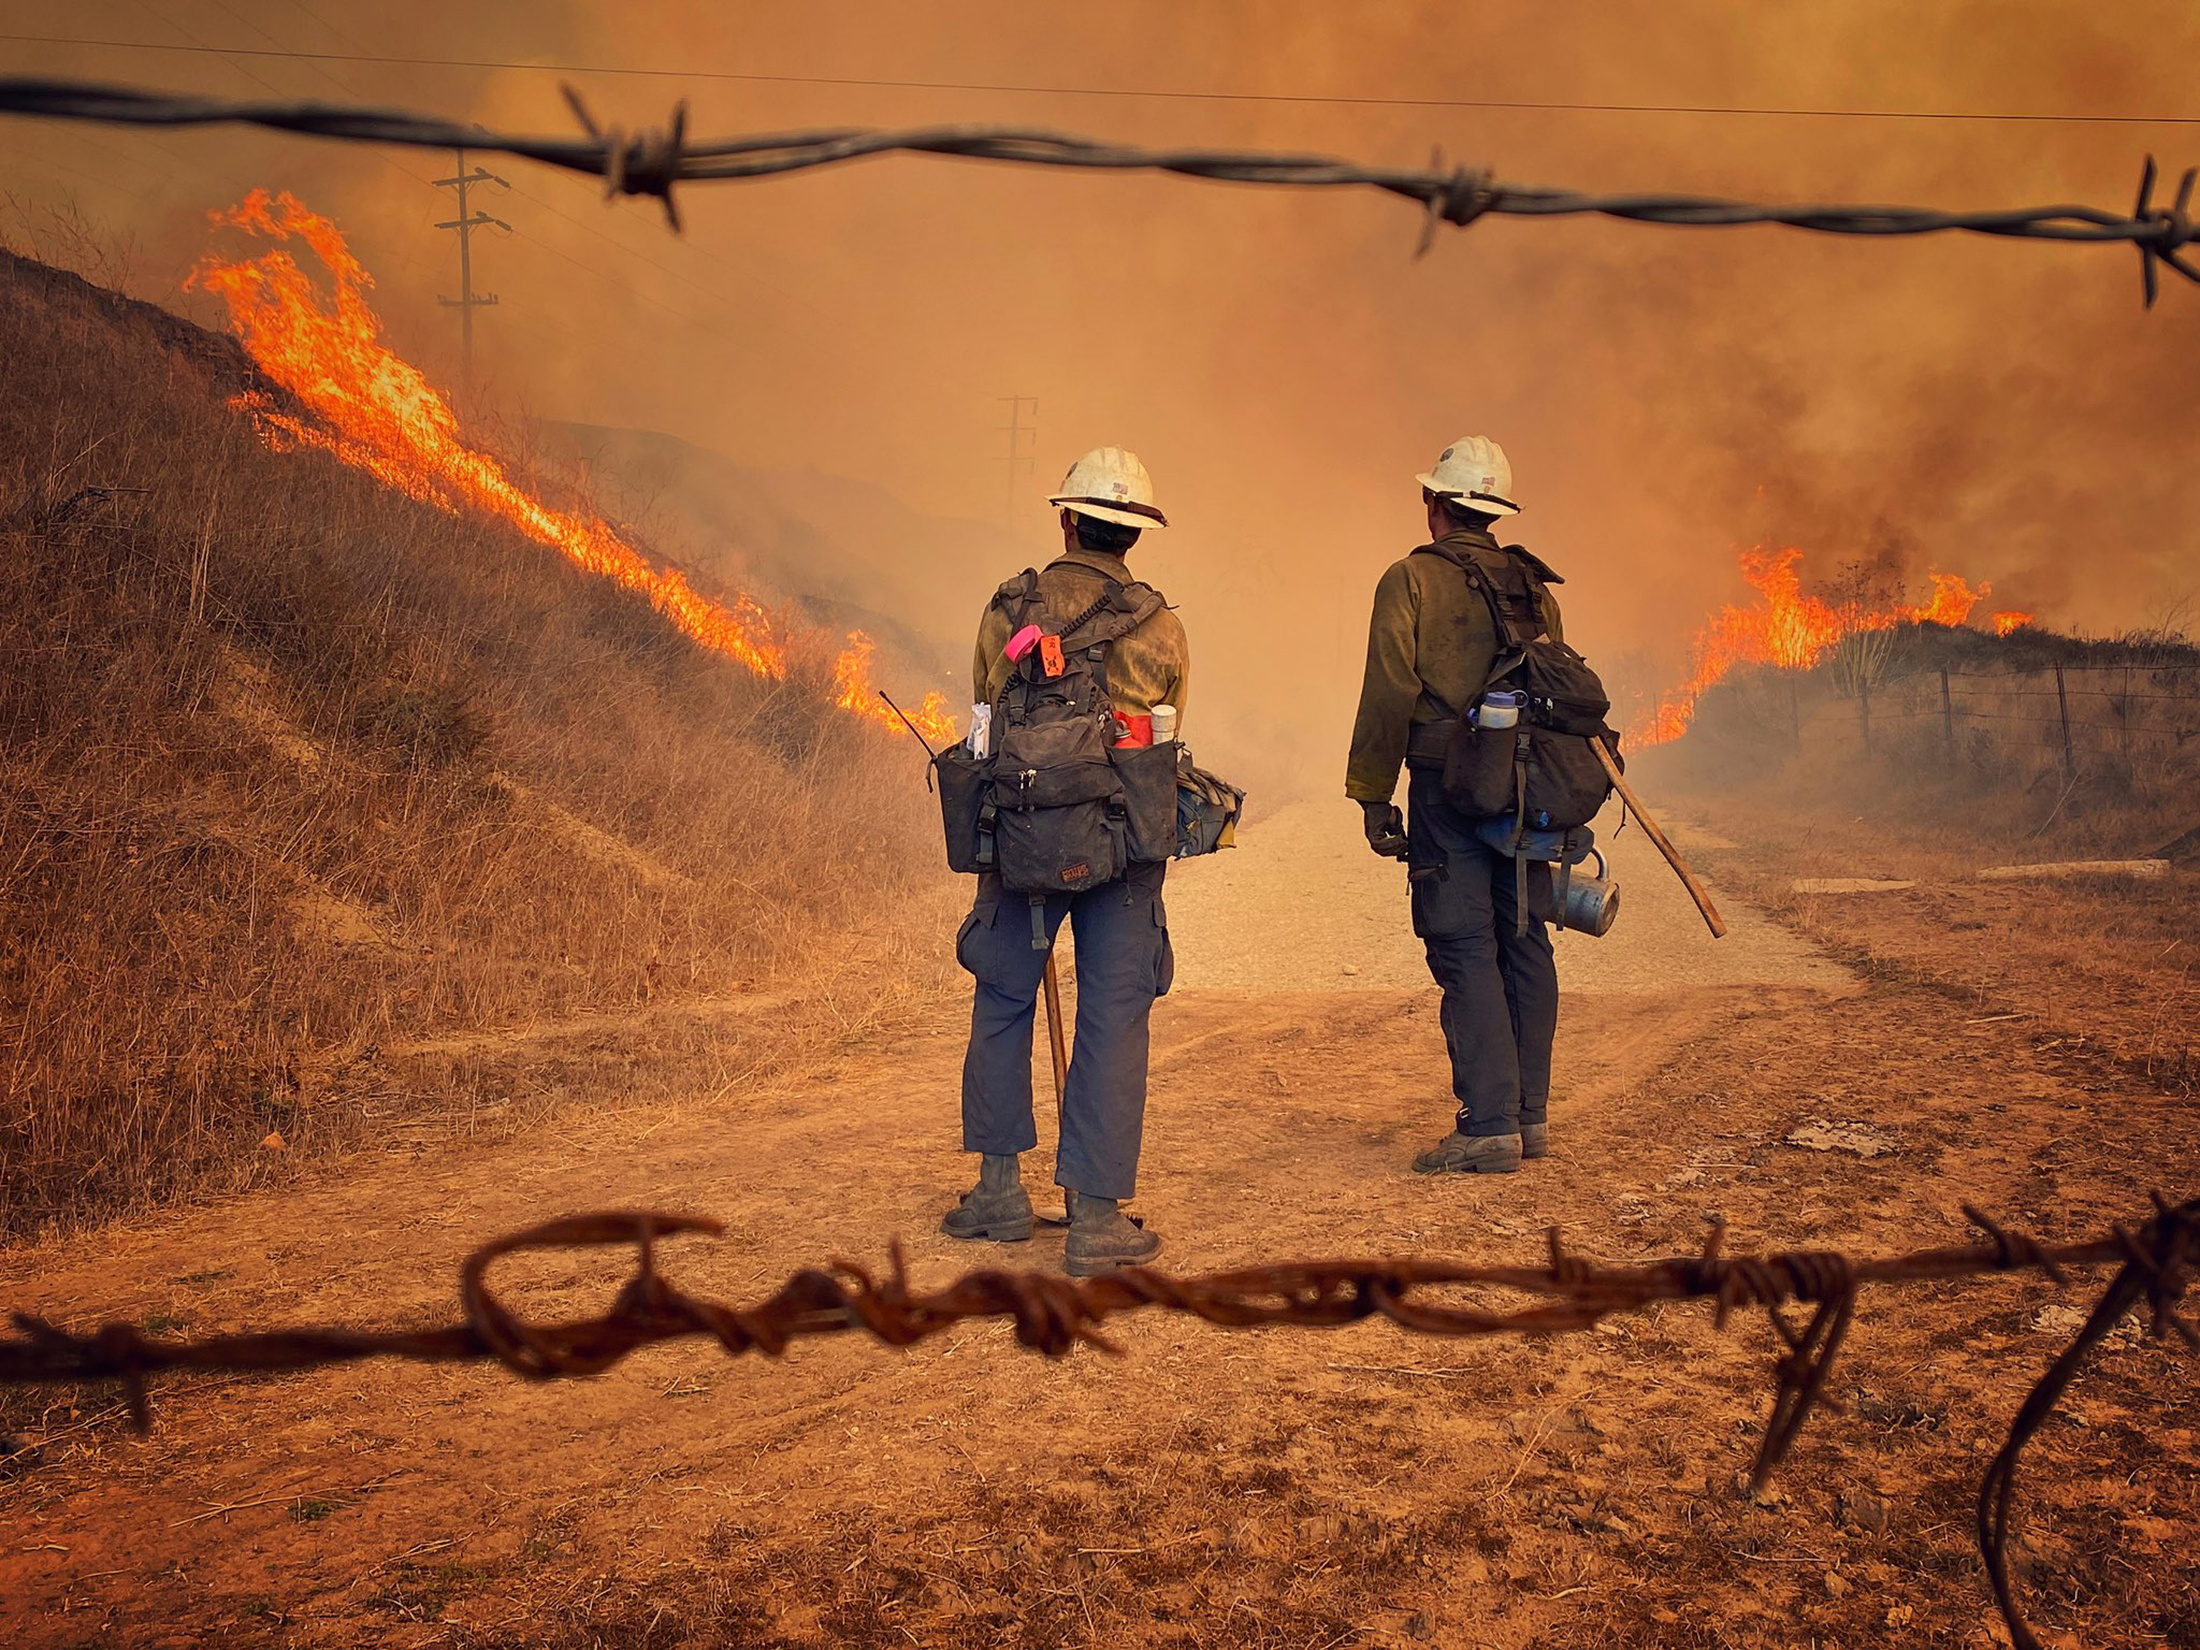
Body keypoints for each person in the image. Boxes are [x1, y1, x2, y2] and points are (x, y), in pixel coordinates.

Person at [942, 447, 1190, 1275]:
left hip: (1018, 834)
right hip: (1123, 849)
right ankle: (1095, 1219)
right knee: (1115, 1015)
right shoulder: (1159, 626)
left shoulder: (1008, 607)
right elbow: (1165, 726)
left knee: (1004, 996)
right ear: (1134, 535)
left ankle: (998, 1195)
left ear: (1066, 519)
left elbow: (982, 705)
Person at [1345, 436, 1563, 1175]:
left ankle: (1488, 1127)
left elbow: (1388, 693)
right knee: (1526, 936)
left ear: (1435, 505)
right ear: (1493, 513)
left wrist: (1372, 795)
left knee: (1464, 944)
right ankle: (1528, 1118)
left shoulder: (1410, 580)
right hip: (1527, 789)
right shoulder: (1536, 588)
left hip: (1446, 786)